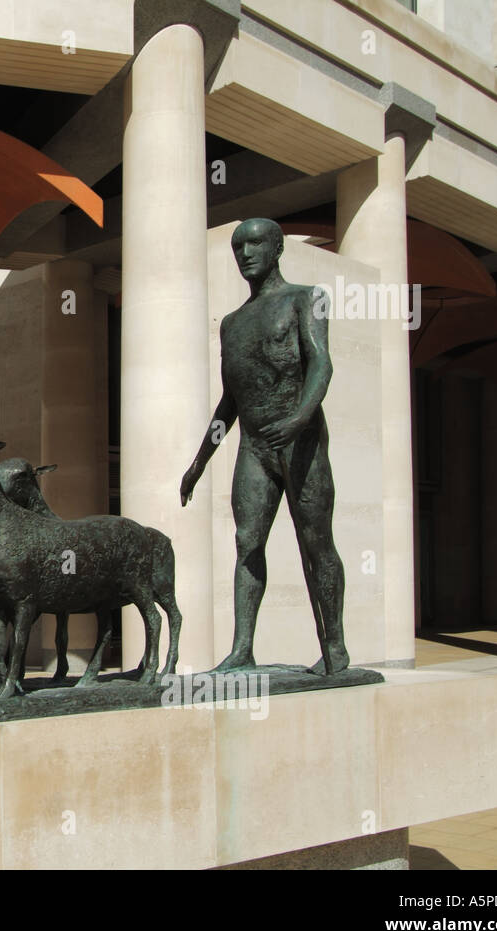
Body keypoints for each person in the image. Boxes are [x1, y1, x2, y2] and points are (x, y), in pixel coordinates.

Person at [179, 218, 349, 674]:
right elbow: (229, 402)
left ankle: (335, 647)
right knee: (247, 542)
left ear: (277, 248)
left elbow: (321, 365)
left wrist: (297, 419)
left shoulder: (304, 298)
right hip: (254, 446)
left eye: (255, 243)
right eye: (238, 246)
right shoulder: (232, 324)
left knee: (317, 543)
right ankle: (242, 649)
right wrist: (199, 462)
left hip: (300, 439)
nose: (245, 253)